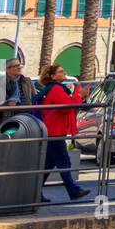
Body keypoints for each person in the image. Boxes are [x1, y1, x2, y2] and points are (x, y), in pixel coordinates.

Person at [38, 63, 89, 202]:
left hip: (53, 129)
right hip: (54, 131)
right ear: (53, 76)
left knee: (48, 164)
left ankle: (35, 192)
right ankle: (73, 190)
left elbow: (68, 104)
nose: (64, 72)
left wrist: (80, 96)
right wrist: (80, 95)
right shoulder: (56, 89)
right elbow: (68, 107)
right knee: (64, 161)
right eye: (61, 71)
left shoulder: (55, 88)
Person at [0, 59, 35, 125]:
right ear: (7, 69)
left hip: (28, 120)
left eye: (19, 65)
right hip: (9, 121)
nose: (19, 67)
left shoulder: (27, 81)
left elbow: (34, 98)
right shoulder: (0, 84)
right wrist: (7, 105)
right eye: (15, 66)